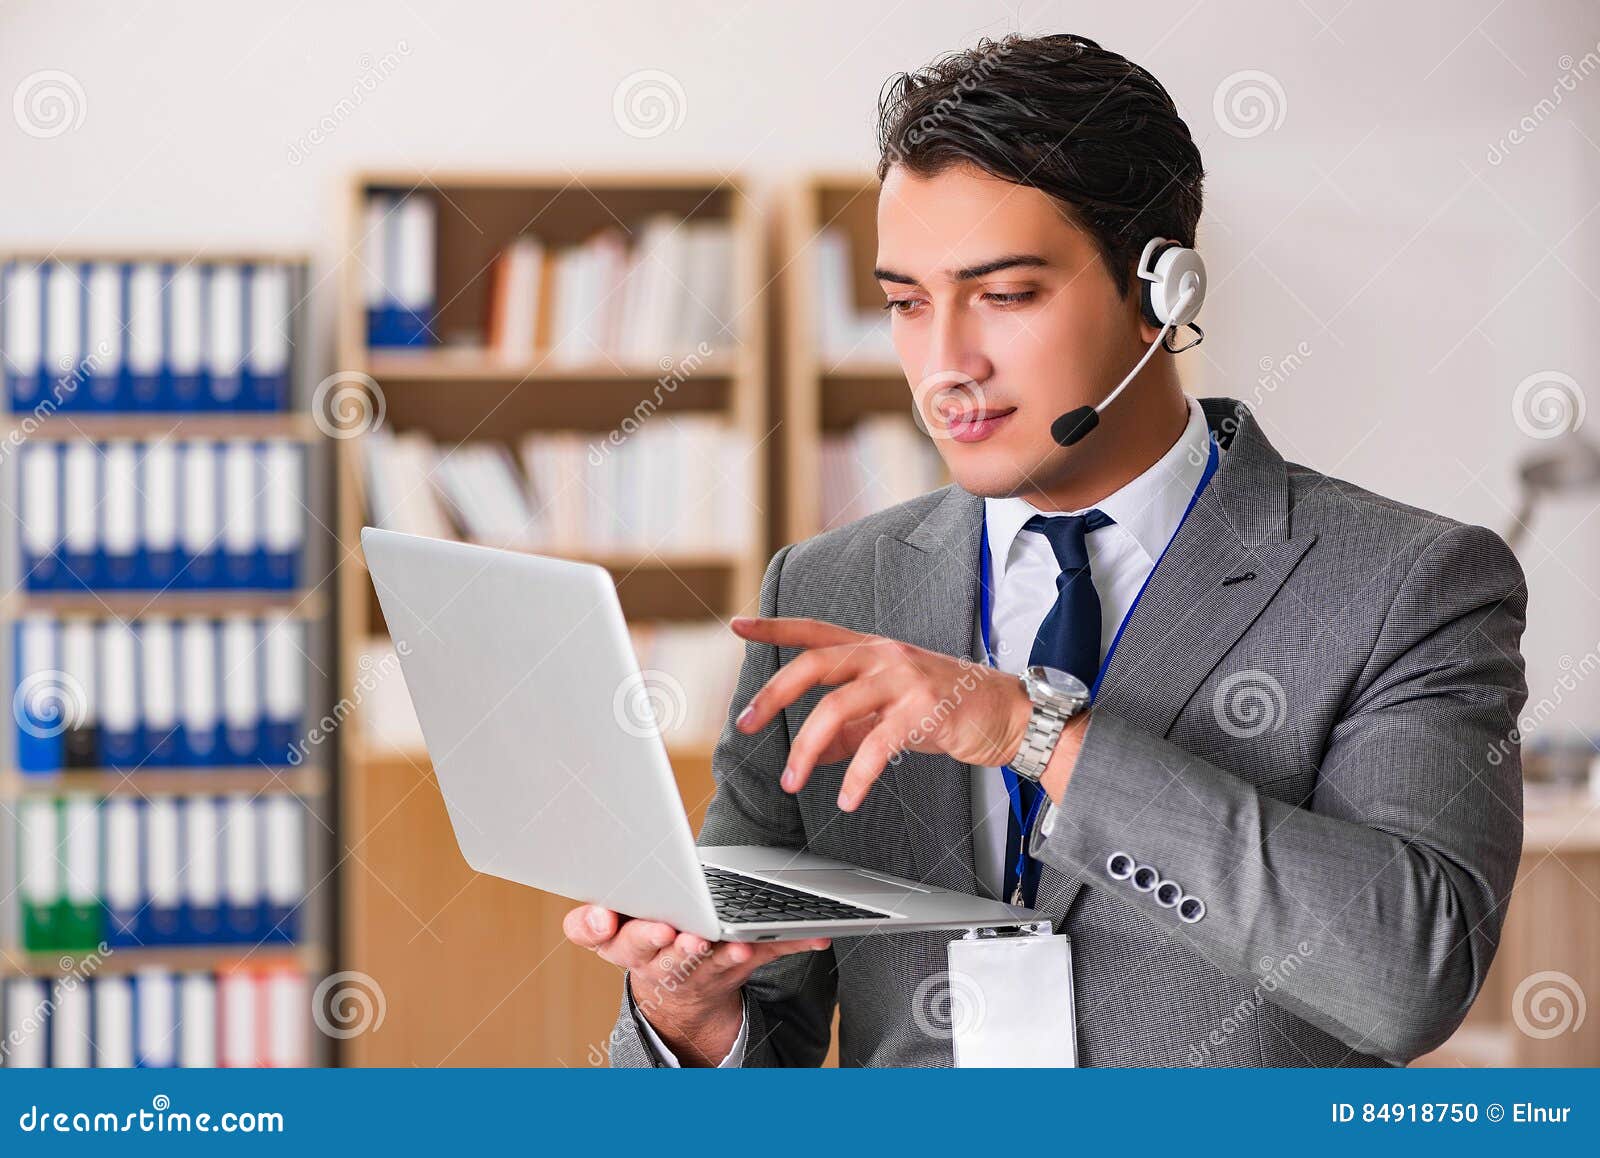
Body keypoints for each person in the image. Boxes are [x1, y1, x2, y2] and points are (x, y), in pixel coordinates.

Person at [564, 32, 1528, 1067]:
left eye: (1006, 295)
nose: (945, 365)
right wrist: (684, 1011)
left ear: (1163, 293)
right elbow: (768, 1034)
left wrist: (1031, 732)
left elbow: (1409, 977)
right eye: (906, 304)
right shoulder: (832, 589)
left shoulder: (1405, 583)